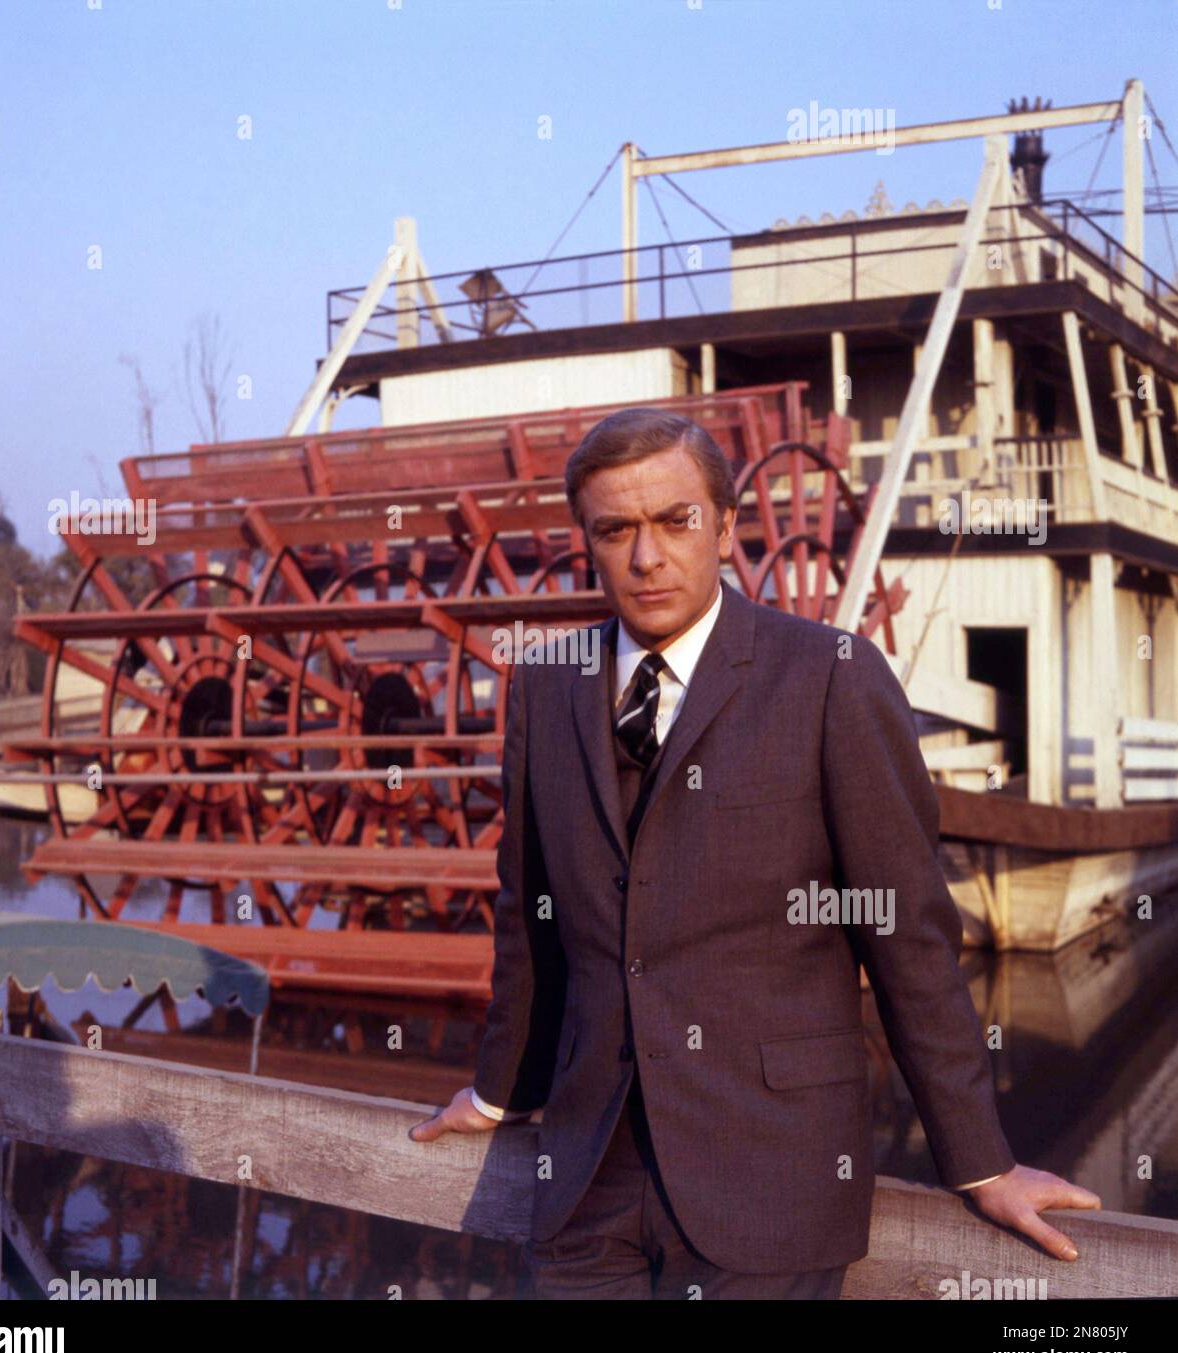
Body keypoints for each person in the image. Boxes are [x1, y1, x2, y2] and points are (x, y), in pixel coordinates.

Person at [410, 406, 1099, 1299]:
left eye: (674, 521)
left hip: (772, 1174)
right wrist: (501, 1091)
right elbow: (529, 914)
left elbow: (907, 936)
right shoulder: (548, 685)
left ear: (725, 525)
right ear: (586, 539)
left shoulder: (826, 675)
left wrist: (980, 1162)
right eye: (615, 530)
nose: (646, 556)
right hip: (585, 1180)